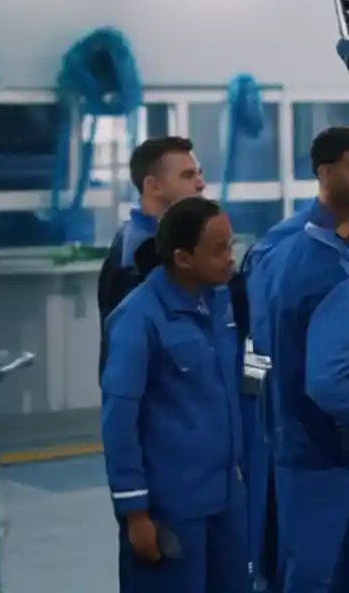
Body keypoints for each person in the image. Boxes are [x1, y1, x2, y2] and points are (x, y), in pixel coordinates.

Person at [241, 130, 349, 592]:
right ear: (324, 173)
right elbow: (272, 339)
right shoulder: (286, 247)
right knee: (311, 566)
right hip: (314, 432)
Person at [100, 197, 249, 593]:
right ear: (183, 258)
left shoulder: (220, 301)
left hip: (226, 498)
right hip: (172, 508)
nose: (231, 259)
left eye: (231, 245)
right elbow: (120, 417)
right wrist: (134, 512)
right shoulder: (139, 318)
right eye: (219, 251)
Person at [97, 136, 206, 377]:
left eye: (199, 173)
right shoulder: (140, 255)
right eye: (188, 176)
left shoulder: (158, 241)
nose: (200, 184)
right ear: (153, 186)